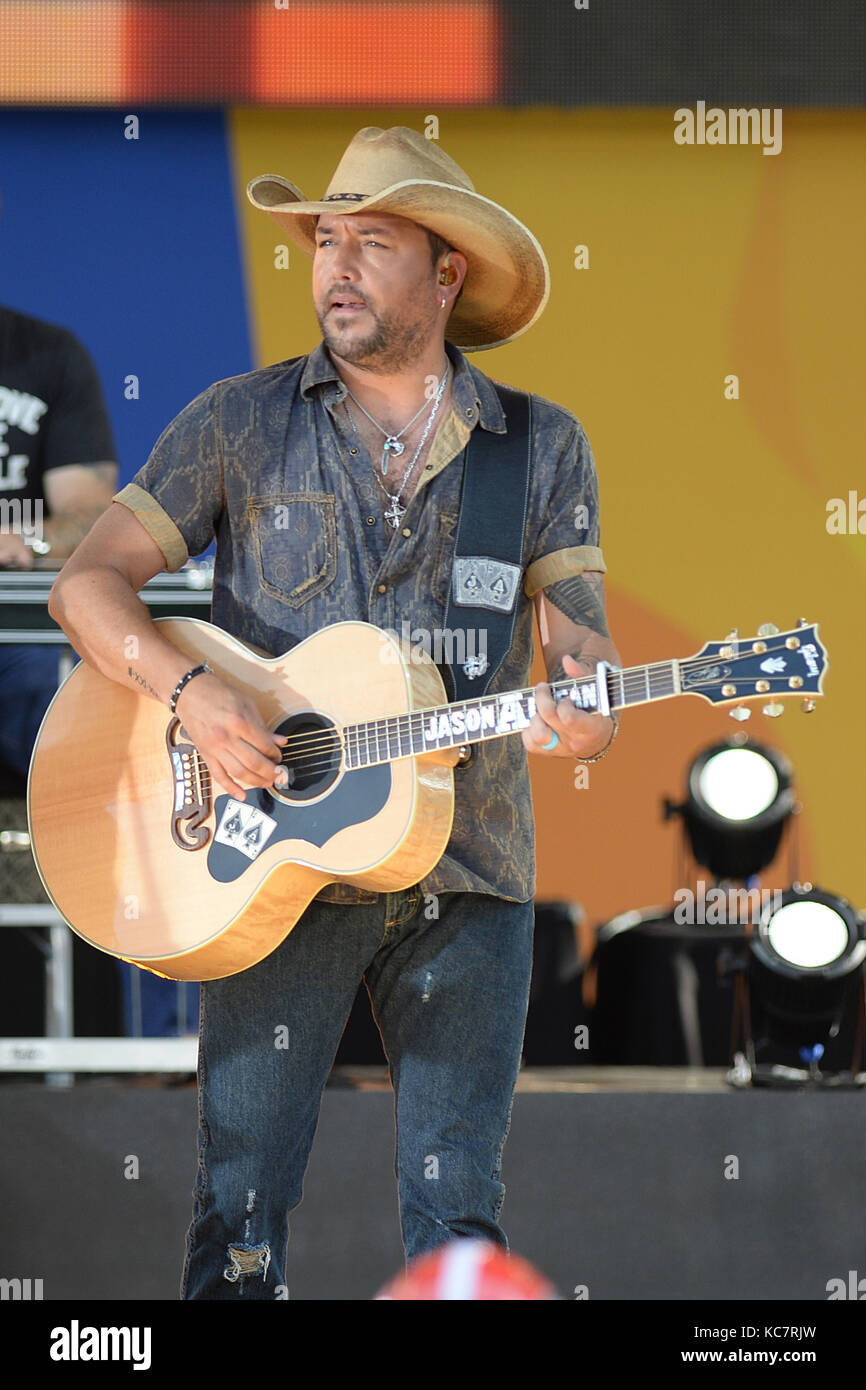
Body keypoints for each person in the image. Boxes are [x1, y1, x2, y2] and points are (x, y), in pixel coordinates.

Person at [48, 126, 622, 1299]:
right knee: (241, 1205)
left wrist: (584, 708)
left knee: (458, 1215)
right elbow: (85, 584)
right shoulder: (238, 420)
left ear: (446, 272)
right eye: (323, 241)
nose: (335, 266)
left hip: (468, 868)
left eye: (371, 242)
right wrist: (192, 692)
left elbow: (581, 659)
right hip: (269, 862)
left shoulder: (539, 446)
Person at [0, 304, 117, 778]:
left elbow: (91, 514)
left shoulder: (49, 352)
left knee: (48, 697)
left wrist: (21, 539)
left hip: (16, 617)